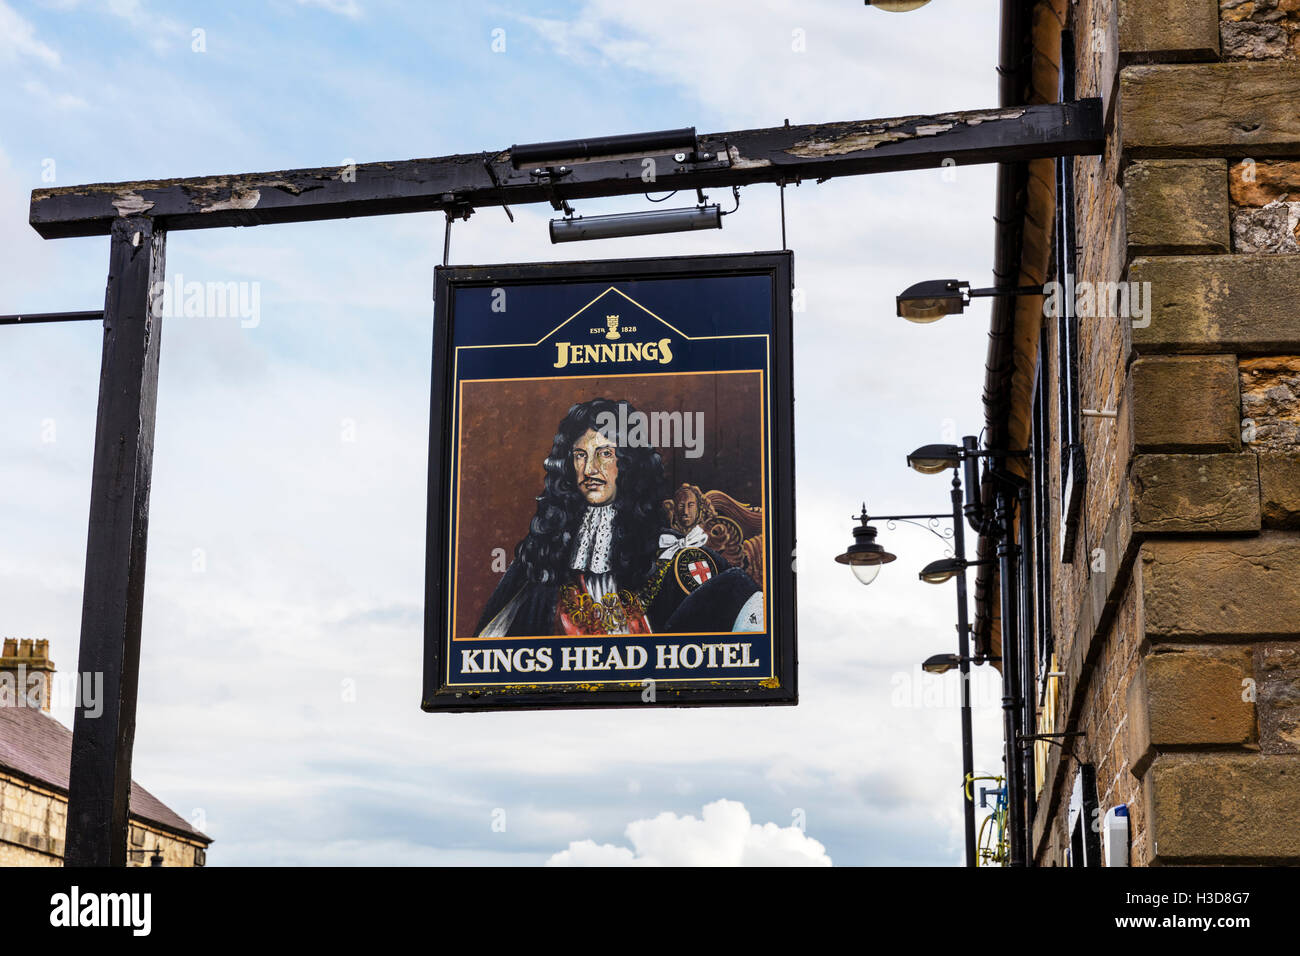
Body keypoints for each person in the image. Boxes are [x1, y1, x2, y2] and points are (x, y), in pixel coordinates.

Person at [474, 397, 763, 637]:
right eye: (580, 455)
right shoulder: (543, 551)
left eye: (605, 454)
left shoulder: (671, 550)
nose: (590, 469)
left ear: (627, 463)